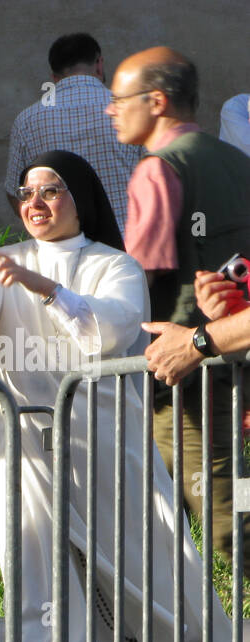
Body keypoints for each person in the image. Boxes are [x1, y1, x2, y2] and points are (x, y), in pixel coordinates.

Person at [0, 151, 235, 642]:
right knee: (31, 569)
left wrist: (48, 290)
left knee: (109, 570)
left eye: (51, 191)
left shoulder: (112, 265)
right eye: (26, 193)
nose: (36, 203)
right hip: (21, 442)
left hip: (100, 442)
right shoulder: (3, 264)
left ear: (81, 198)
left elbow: (112, 334)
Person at [108, 46, 250, 562]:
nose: (111, 109)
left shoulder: (158, 170)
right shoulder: (237, 160)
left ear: (158, 101)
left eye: (119, 99)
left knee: (216, 514)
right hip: (232, 361)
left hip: (181, 373)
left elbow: (136, 280)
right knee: (228, 485)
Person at [5, 34, 143, 229]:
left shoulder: (27, 120)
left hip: (62, 248)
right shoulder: (131, 110)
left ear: (54, 77)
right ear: (99, 64)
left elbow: (15, 192)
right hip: (126, 243)